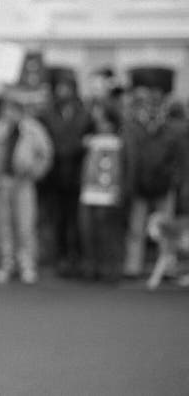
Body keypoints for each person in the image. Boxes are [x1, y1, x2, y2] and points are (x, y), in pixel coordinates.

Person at [0, 91, 53, 284]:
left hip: (24, 182)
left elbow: (45, 155)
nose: (10, 112)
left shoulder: (33, 129)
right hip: (3, 181)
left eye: (14, 109)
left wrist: (35, 172)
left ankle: (26, 264)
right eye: (8, 108)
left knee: (25, 225)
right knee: (4, 225)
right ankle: (7, 263)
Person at [122, 68, 185, 279]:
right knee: (136, 227)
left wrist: (174, 177)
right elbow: (131, 155)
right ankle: (133, 267)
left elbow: (179, 156)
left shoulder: (171, 125)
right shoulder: (134, 124)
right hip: (141, 182)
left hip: (163, 182)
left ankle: (167, 266)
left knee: (166, 229)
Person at [40, 68, 92, 277]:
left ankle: (77, 258)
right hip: (55, 174)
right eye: (60, 87)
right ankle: (60, 258)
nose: (64, 91)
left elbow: (88, 138)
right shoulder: (48, 113)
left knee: (77, 221)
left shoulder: (84, 113)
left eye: (67, 87)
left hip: (77, 174)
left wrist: (76, 146)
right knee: (58, 220)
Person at [78, 101, 126, 282]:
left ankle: (109, 270)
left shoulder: (119, 142)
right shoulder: (90, 140)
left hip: (109, 194)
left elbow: (122, 169)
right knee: (88, 233)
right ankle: (91, 267)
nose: (99, 123)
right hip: (89, 193)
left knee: (108, 234)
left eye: (103, 119)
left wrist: (120, 190)